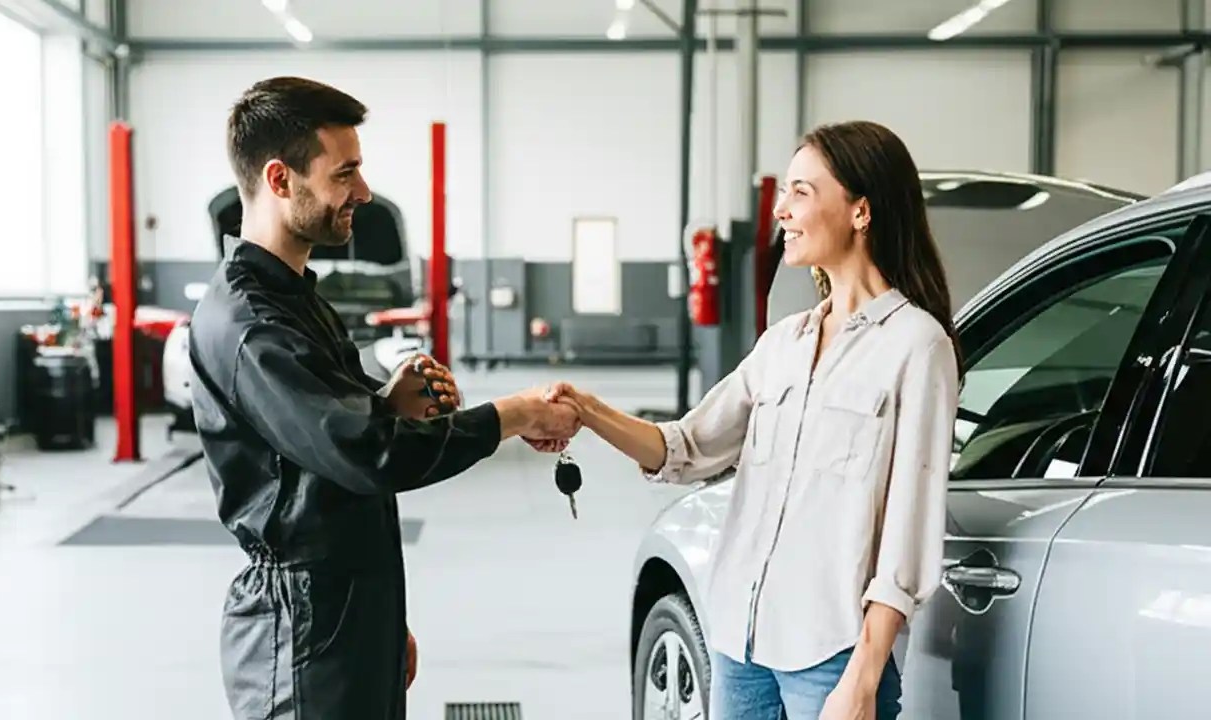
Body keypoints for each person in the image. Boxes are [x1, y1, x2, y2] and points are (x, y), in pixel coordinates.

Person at [187, 76, 580, 720]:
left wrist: (388, 400)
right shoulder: (253, 324)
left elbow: (320, 451)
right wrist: (512, 415)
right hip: (301, 635)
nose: (363, 194)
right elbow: (365, 455)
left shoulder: (295, 296)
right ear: (281, 180)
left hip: (343, 612)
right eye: (345, 174)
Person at [542, 120, 960, 720]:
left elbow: (909, 531)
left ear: (860, 211)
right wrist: (588, 411)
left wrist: (863, 678)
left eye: (801, 192)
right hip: (740, 637)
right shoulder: (785, 341)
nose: (782, 211)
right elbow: (686, 447)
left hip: (830, 652)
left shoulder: (916, 347)